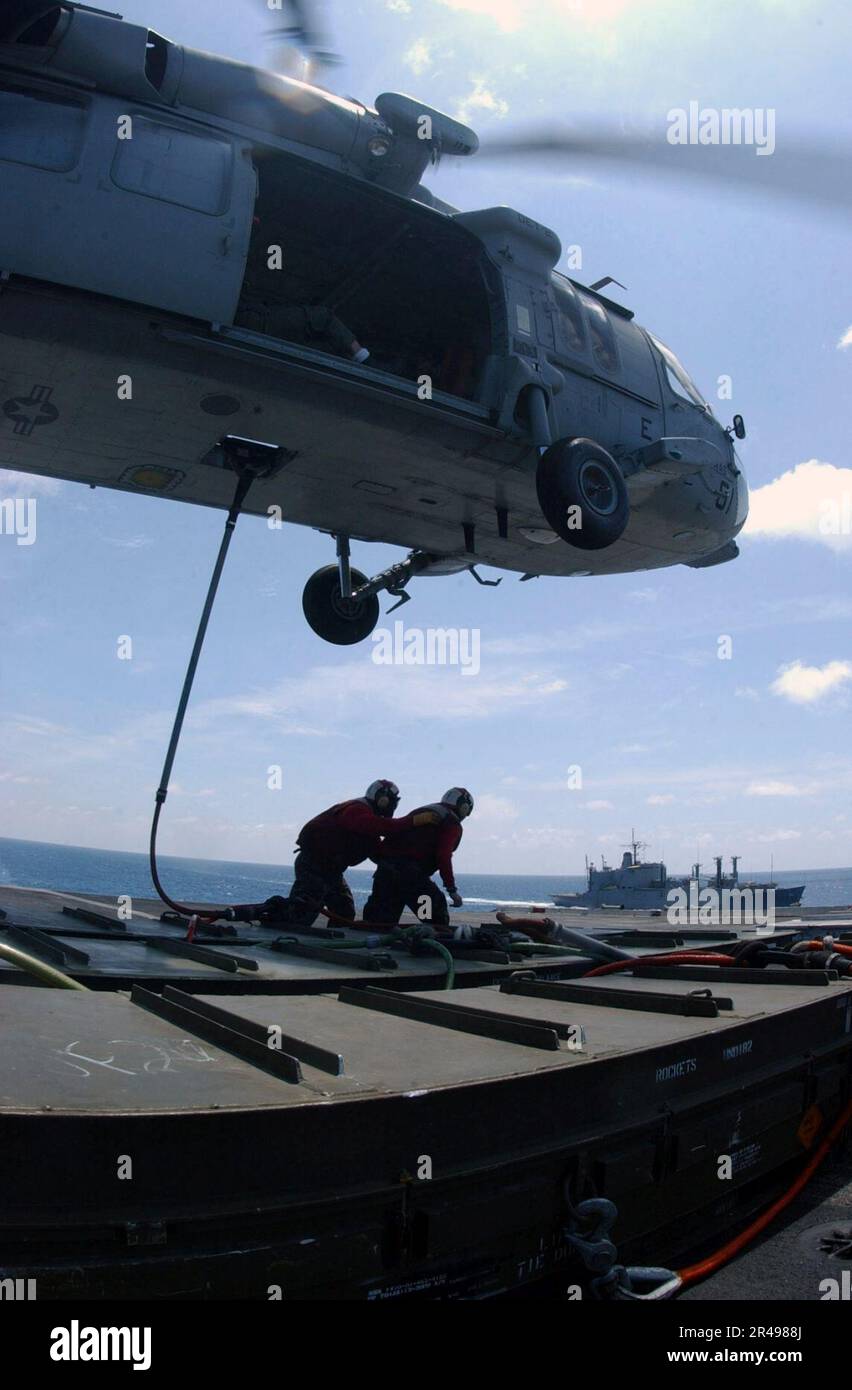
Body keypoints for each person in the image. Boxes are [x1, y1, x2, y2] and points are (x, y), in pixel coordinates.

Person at [228, 782, 436, 928]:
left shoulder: (367, 824)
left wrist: (404, 866)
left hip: (331, 869)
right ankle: (270, 913)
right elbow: (375, 826)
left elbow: (377, 850)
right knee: (302, 913)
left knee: (344, 911)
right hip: (314, 864)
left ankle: (330, 938)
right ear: (382, 800)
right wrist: (410, 823)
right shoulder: (357, 810)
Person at [363, 787, 474, 929]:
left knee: (379, 924)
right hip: (411, 879)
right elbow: (443, 855)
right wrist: (451, 889)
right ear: (464, 808)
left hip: (385, 874)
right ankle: (429, 942)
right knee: (434, 918)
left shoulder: (421, 812)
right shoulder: (451, 823)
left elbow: (390, 839)